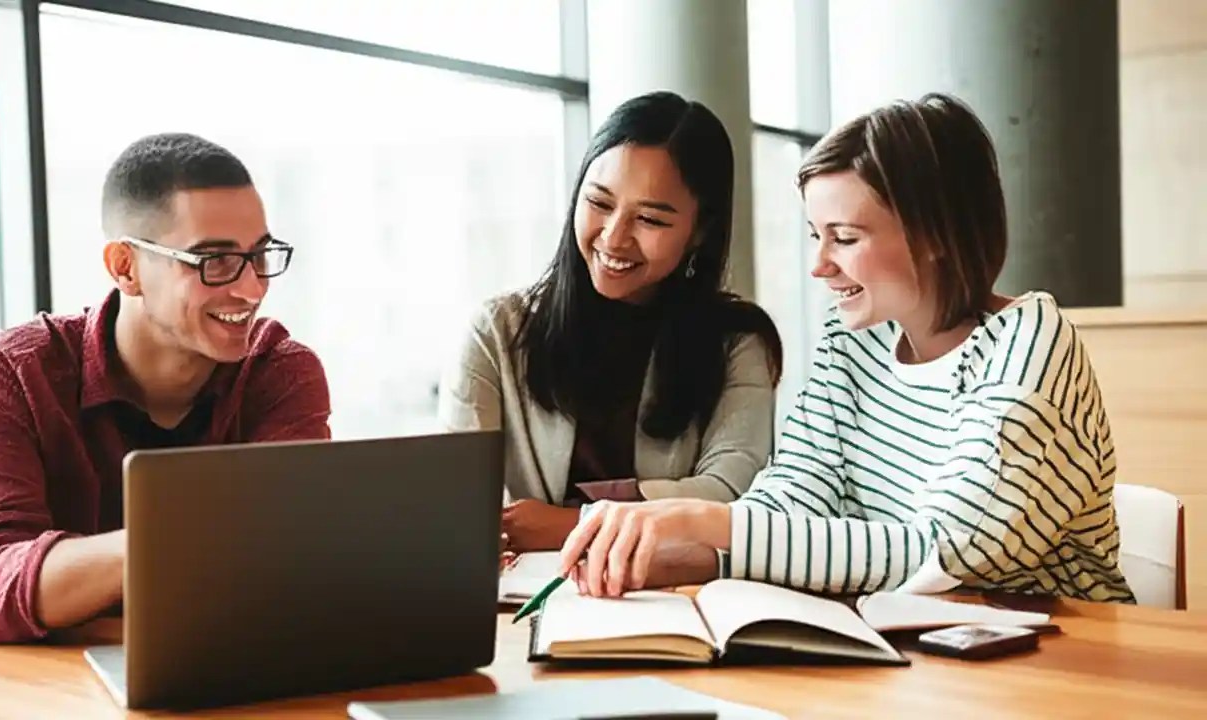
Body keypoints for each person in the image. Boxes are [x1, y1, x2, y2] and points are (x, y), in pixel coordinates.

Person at [558, 93, 1135, 604]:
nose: (820, 265)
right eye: (816, 235)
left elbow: (946, 554)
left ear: (934, 233)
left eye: (846, 238)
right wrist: (667, 561)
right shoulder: (856, 341)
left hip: (1059, 660)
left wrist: (699, 520)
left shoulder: (1029, 346)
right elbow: (790, 501)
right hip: (908, 653)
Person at [0, 133, 332, 643]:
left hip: (222, 684)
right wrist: (168, 543)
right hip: (44, 696)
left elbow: (288, 575)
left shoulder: (280, 374)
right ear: (126, 267)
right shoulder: (9, 375)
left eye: (259, 255)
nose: (251, 288)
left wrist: (80, 600)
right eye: (215, 261)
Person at [439, 91, 784, 553]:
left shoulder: (738, 344)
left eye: (649, 219)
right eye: (599, 203)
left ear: (700, 231)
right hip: (526, 600)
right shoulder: (497, 332)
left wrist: (568, 525)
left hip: (671, 597)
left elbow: (732, 496)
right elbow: (459, 503)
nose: (614, 238)